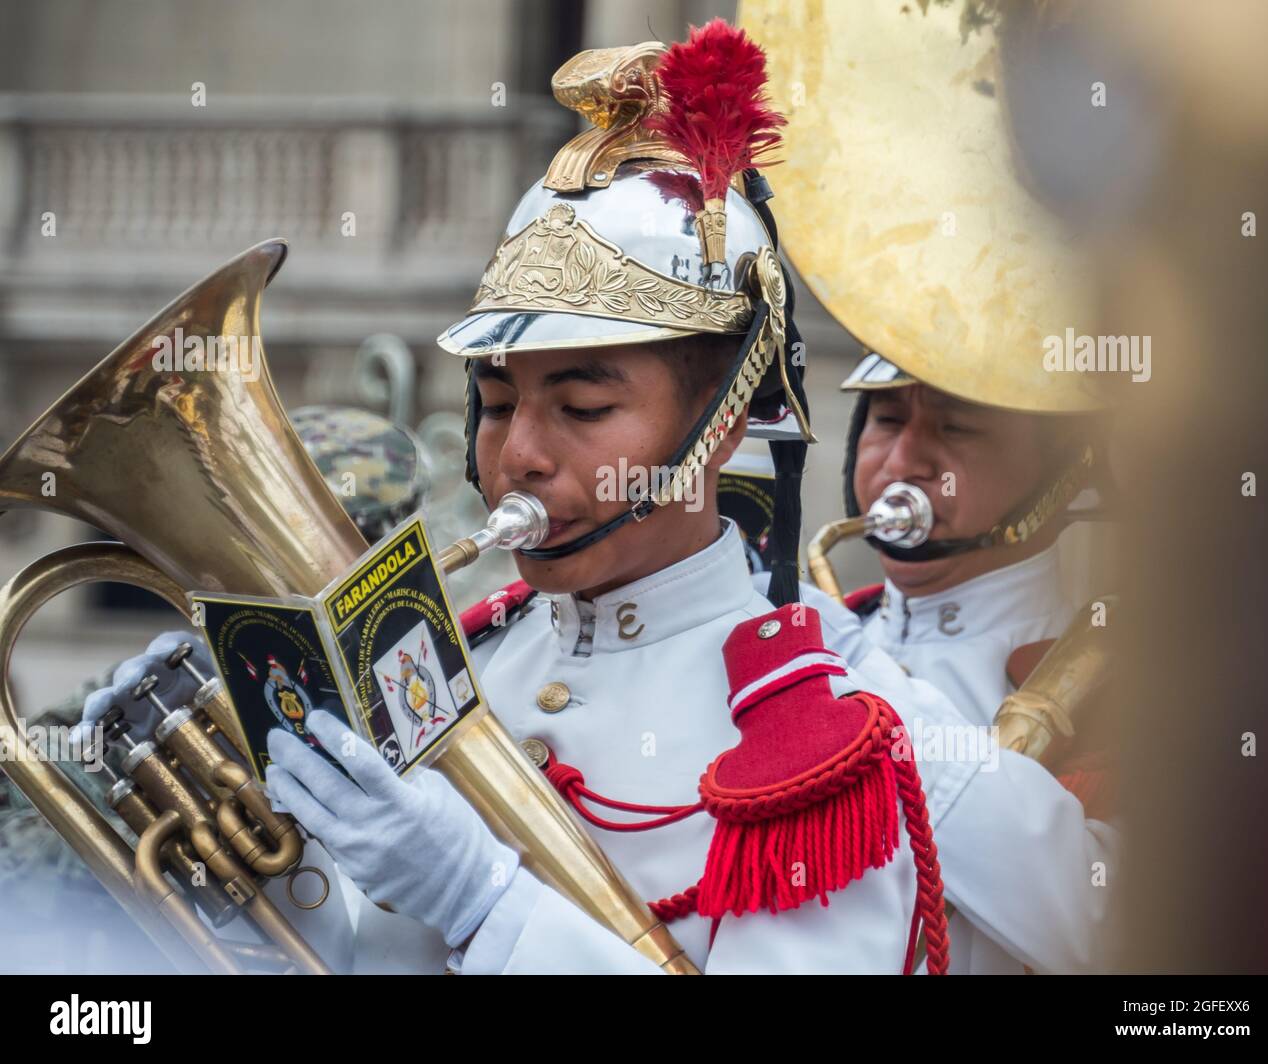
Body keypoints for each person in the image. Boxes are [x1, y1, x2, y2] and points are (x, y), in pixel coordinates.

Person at [260, 23, 978, 974]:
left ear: (723, 421)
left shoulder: (821, 740)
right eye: (497, 403)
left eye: (584, 406)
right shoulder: (463, 660)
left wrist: (487, 908)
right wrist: (254, 879)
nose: (517, 455)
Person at [740, 0, 1120, 972]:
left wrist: (876, 702)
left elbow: (1108, 932)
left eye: (955, 426)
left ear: (1063, 469)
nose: (900, 458)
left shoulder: (1121, 679)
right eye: (886, 419)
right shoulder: (839, 626)